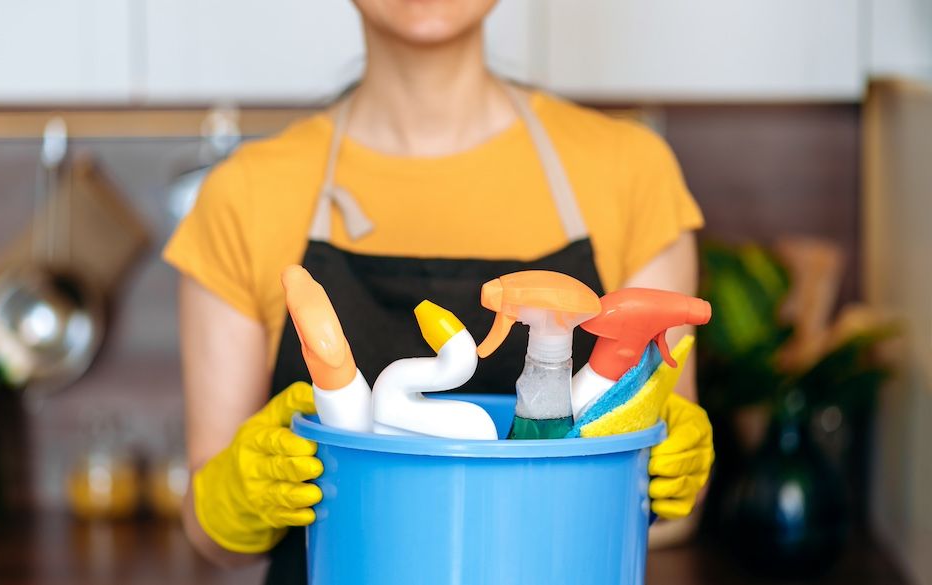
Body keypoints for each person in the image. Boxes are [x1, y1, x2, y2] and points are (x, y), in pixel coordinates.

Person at [164, 1, 714, 582]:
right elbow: (213, 542)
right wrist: (236, 494)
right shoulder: (244, 197)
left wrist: (666, 475)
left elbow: (675, 517)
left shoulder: (629, 173)